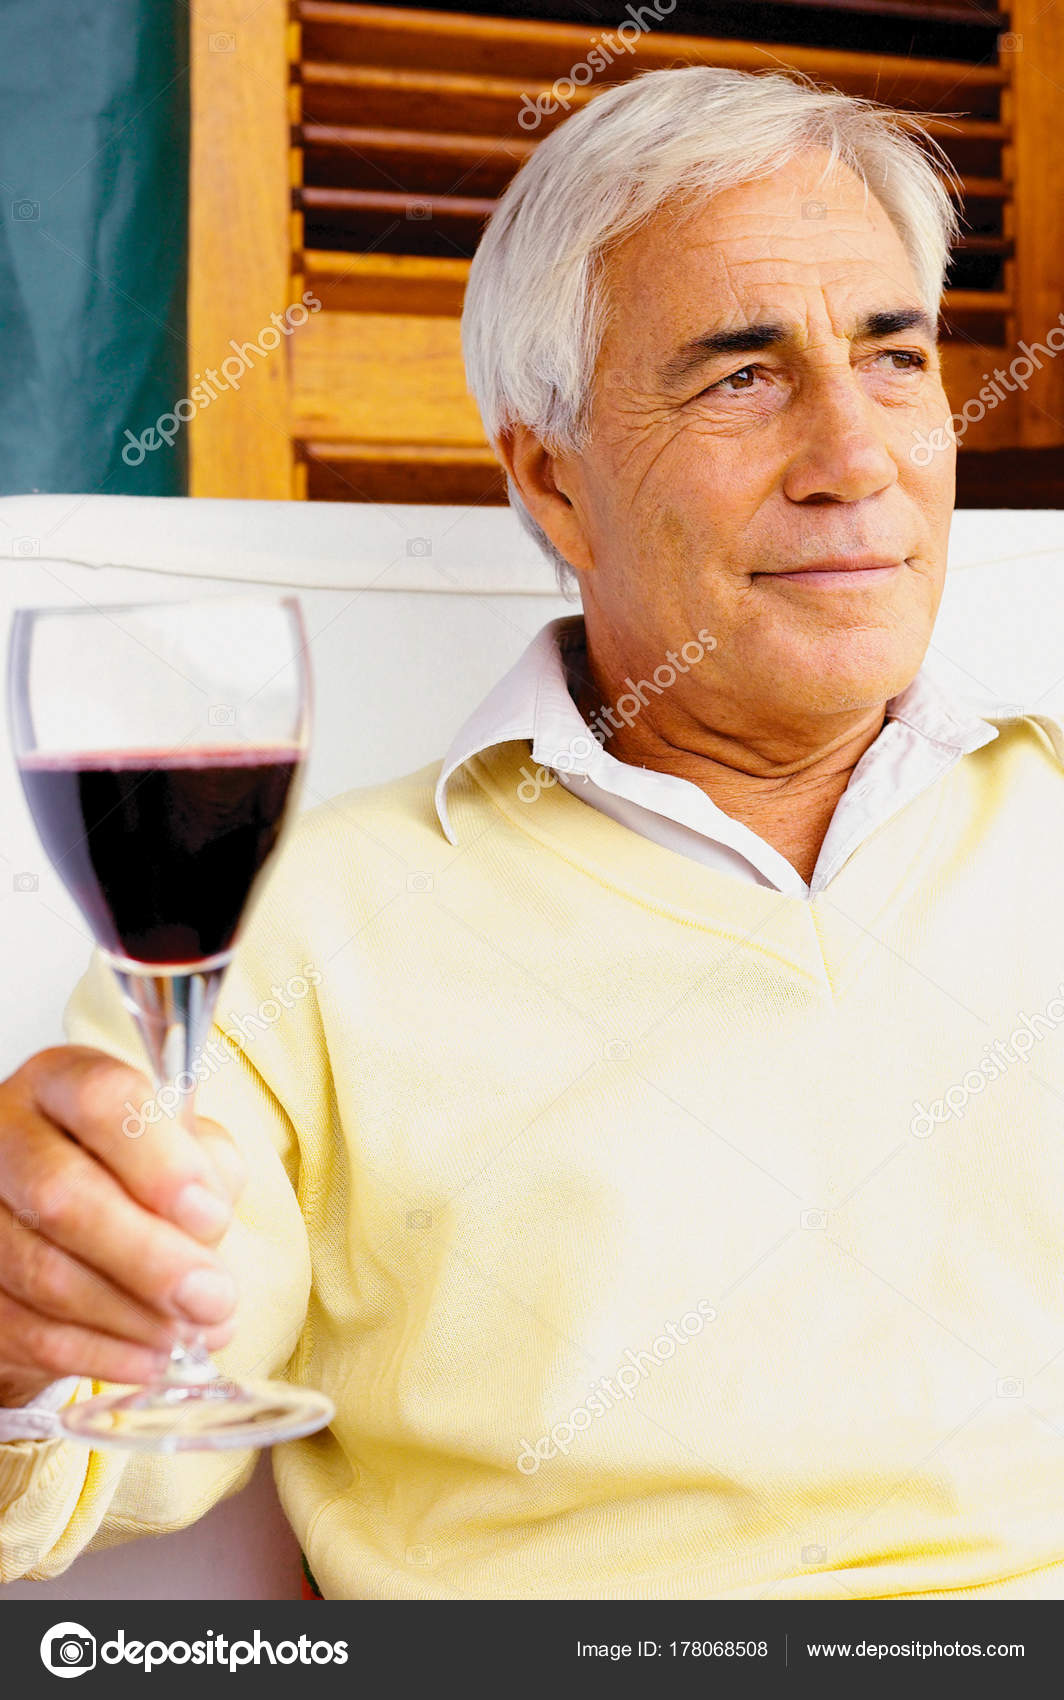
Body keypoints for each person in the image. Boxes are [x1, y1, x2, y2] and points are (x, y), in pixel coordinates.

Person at [3, 64, 1063, 1601]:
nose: (858, 459)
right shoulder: (296, 922)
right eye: (742, 376)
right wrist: (35, 1330)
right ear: (551, 478)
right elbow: (115, 1425)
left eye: (895, 360)